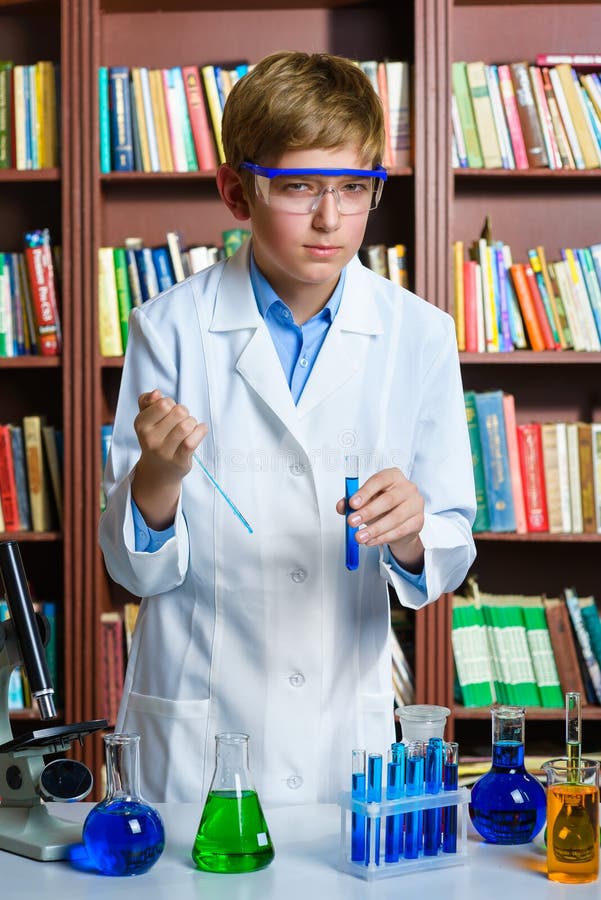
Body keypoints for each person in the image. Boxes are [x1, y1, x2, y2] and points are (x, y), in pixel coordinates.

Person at [99, 51, 476, 805]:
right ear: (236, 192)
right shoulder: (168, 328)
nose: (330, 217)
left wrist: (411, 533)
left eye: (353, 187)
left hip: (345, 732)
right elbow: (131, 569)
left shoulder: (420, 336)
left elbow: (446, 550)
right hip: (198, 737)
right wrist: (158, 480)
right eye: (300, 186)